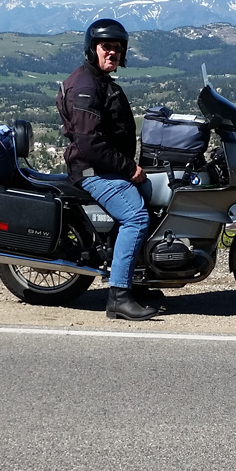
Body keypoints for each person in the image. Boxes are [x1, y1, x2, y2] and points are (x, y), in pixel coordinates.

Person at [57, 19, 161, 321]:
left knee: (156, 204)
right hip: (93, 172)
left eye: (117, 48)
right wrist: (128, 168)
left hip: (103, 168)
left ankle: (136, 279)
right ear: (92, 49)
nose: (112, 53)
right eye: (106, 47)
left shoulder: (97, 80)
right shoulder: (87, 86)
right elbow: (90, 144)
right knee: (137, 217)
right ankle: (118, 296)